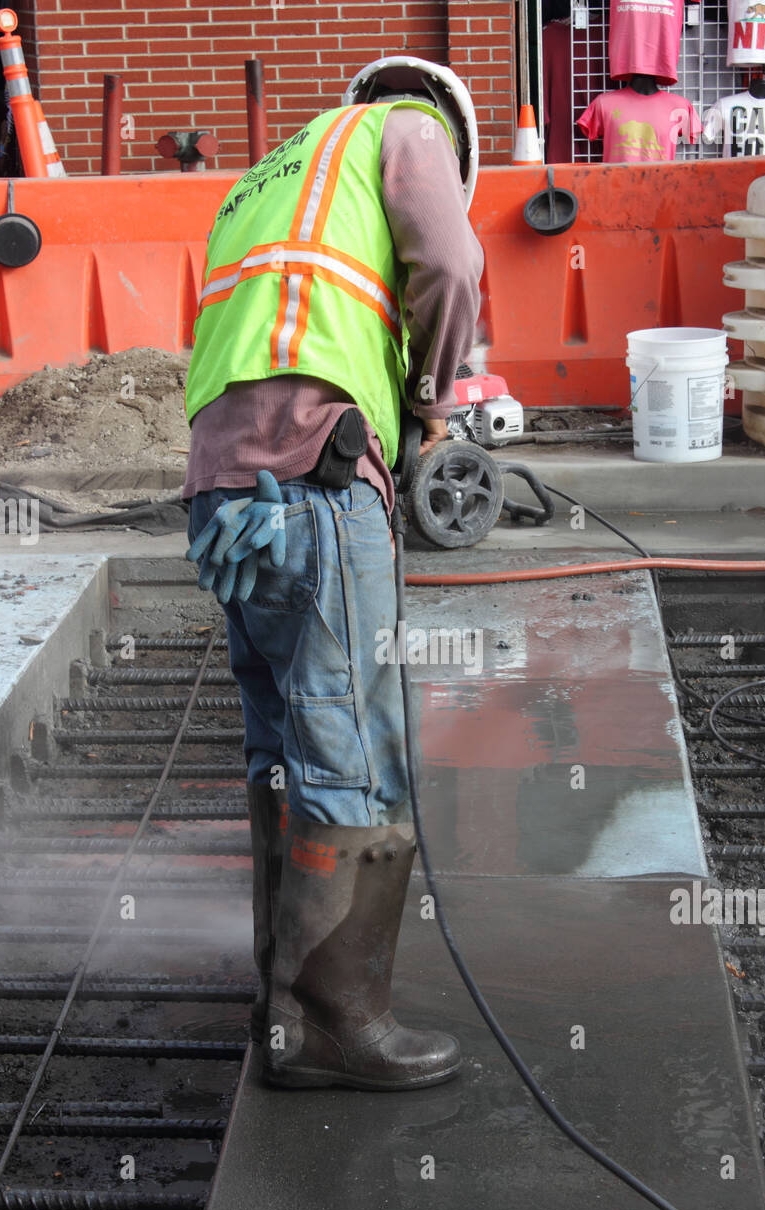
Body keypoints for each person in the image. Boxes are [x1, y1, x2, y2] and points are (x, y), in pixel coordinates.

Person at [183, 56, 484, 1091]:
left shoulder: (265, 177)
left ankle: (281, 1001)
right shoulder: (406, 129)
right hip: (315, 479)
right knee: (355, 745)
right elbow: (447, 265)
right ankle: (331, 1025)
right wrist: (430, 405)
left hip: (226, 496)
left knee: (283, 742)